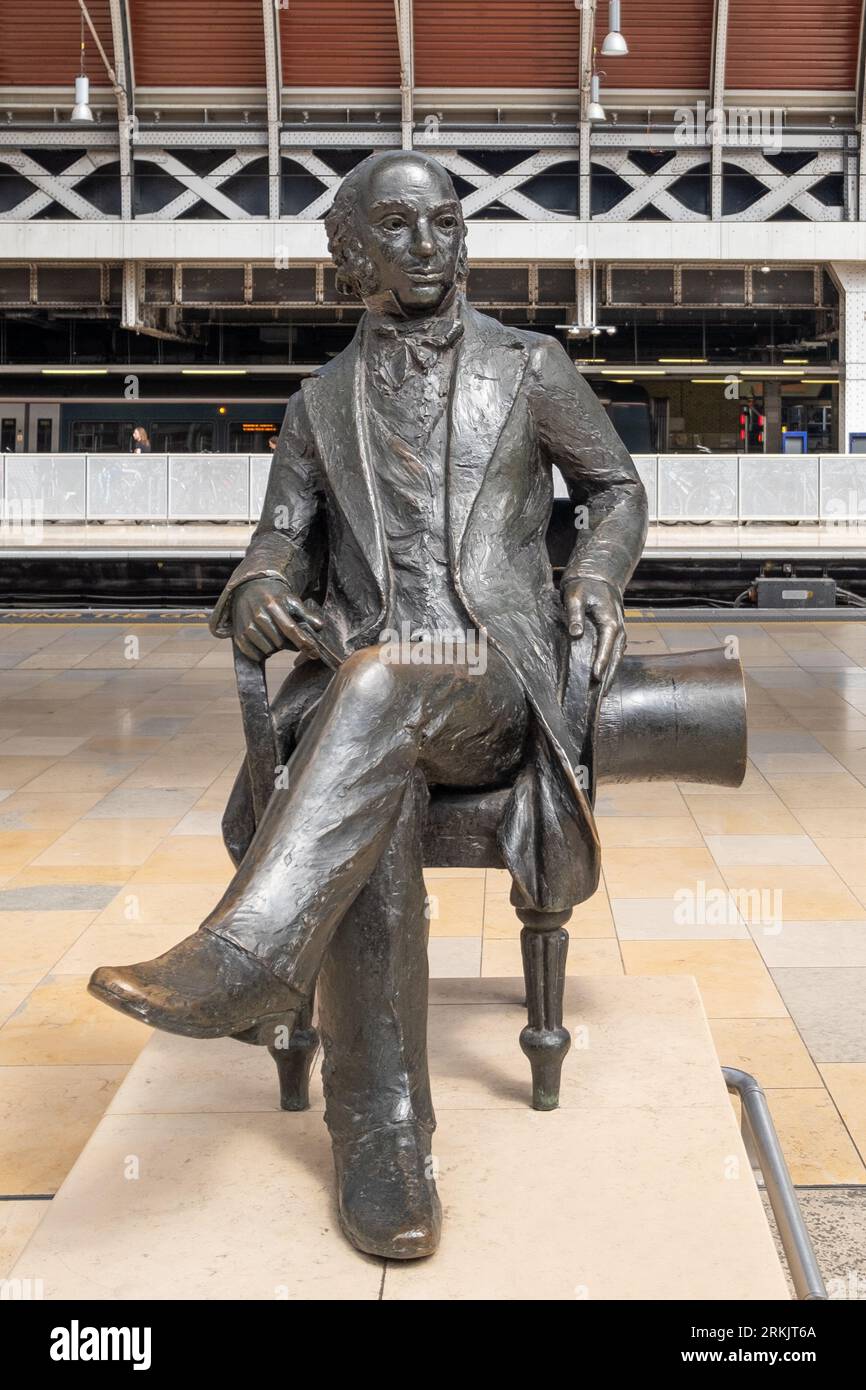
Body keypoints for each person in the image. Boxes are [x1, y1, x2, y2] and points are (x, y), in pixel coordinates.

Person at [89, 151, 647, 1259]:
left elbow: (615, 488)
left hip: (487, 670)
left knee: (377, 684)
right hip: (370, 693)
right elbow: (278, 542)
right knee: (370, 755)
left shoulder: (529, 367)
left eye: (446, 221)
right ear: (346, 254)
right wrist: (253, 592)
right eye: (396, 227)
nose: (429, 246)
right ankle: (385, 1138)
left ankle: (247, 957)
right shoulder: (314, 404)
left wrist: (589, 577)